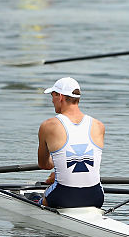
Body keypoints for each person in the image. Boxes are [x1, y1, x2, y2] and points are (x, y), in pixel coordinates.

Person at [37, 77, 105, 209]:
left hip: (63, 197)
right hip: (96, 197)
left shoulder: (48, 126)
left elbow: (44, 164)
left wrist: (57, 171)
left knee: (35, 196)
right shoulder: (98, 125)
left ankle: (36, 201)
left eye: (52, 95)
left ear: (60, 96)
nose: (51, 100)